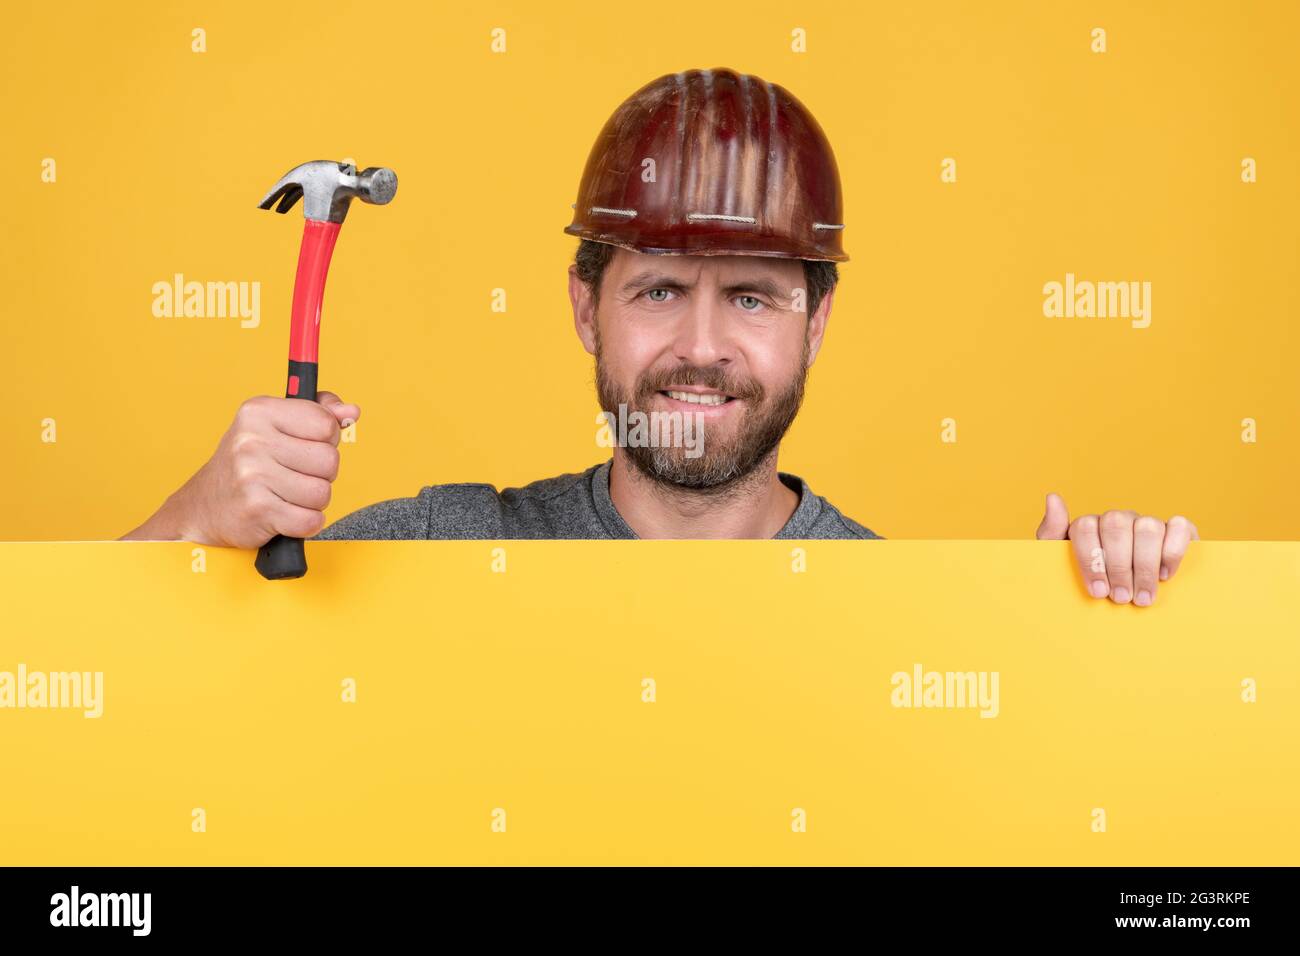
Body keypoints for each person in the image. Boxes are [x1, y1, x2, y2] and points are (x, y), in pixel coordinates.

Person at [121, 68, 1198, 607]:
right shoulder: (437, 552)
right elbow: (82, 706)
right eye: (658, 290)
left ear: (817, 321)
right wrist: (196, 517)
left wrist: (1082, 630)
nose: (701, 346)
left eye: (753, 298)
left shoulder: (893, 614)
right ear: (585, 305)